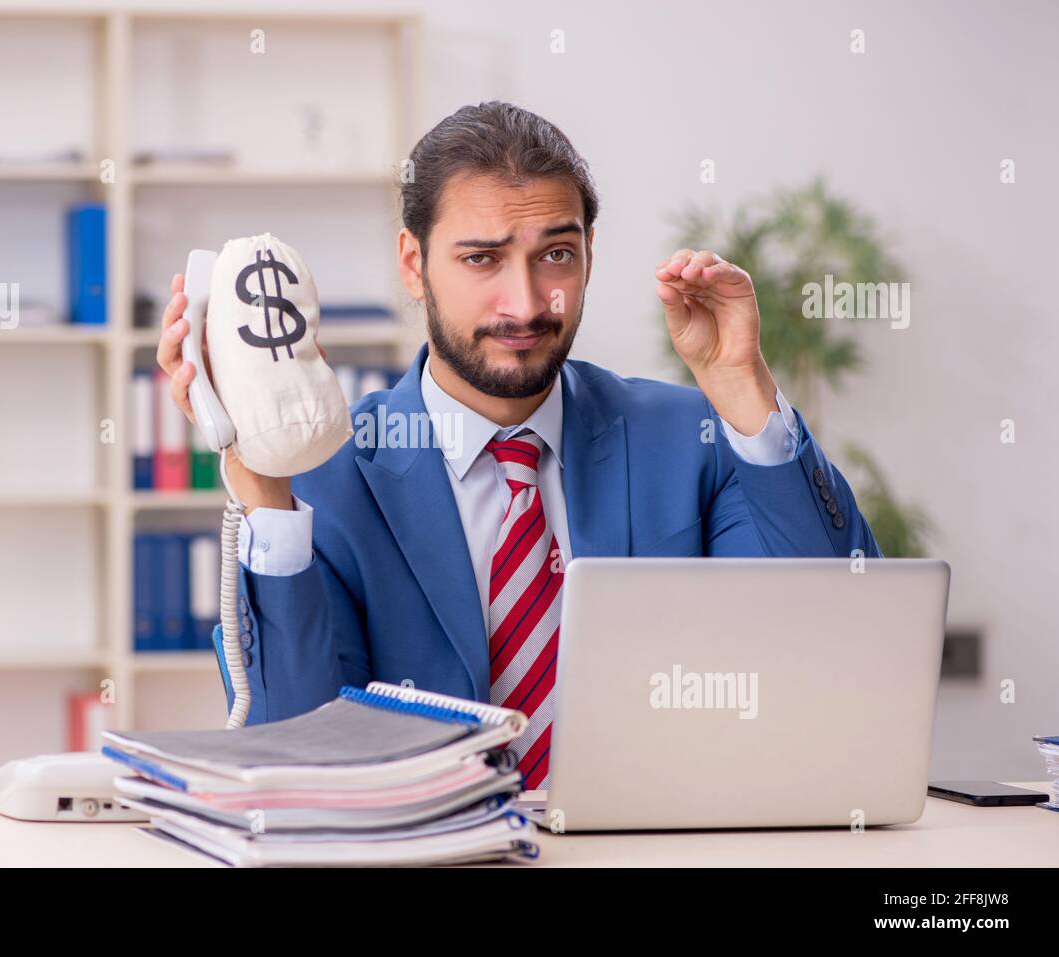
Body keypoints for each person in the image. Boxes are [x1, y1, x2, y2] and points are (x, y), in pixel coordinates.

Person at [155, 101, 879, 789]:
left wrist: (745, 389)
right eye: (481, 259)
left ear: (590, 255)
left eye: (555, 253)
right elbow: (294, 751)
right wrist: (260, 477)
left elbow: (834, 636)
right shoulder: (327, 478)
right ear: (413, 264)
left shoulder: (693, 439)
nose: (527, 303)